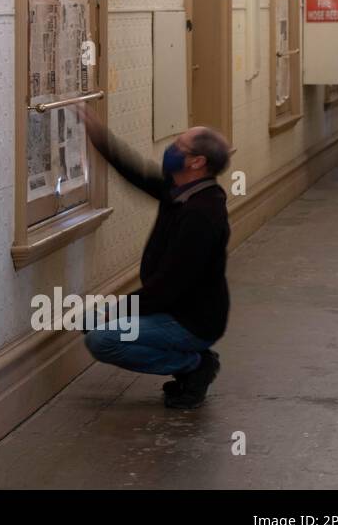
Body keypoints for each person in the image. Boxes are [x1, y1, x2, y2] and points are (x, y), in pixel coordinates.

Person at [77, 106, 232, 408]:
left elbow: (168, 287)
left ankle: (194, 365)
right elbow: (136, 174)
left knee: (101, 339)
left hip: (190, 320)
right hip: (170, 307)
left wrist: (118, 310)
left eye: (179, 146)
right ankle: (191, 361)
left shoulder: (202, 215)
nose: (171, 149)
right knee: (88, 320)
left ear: (197, 162)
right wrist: (99, 137)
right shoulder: (181, 191)